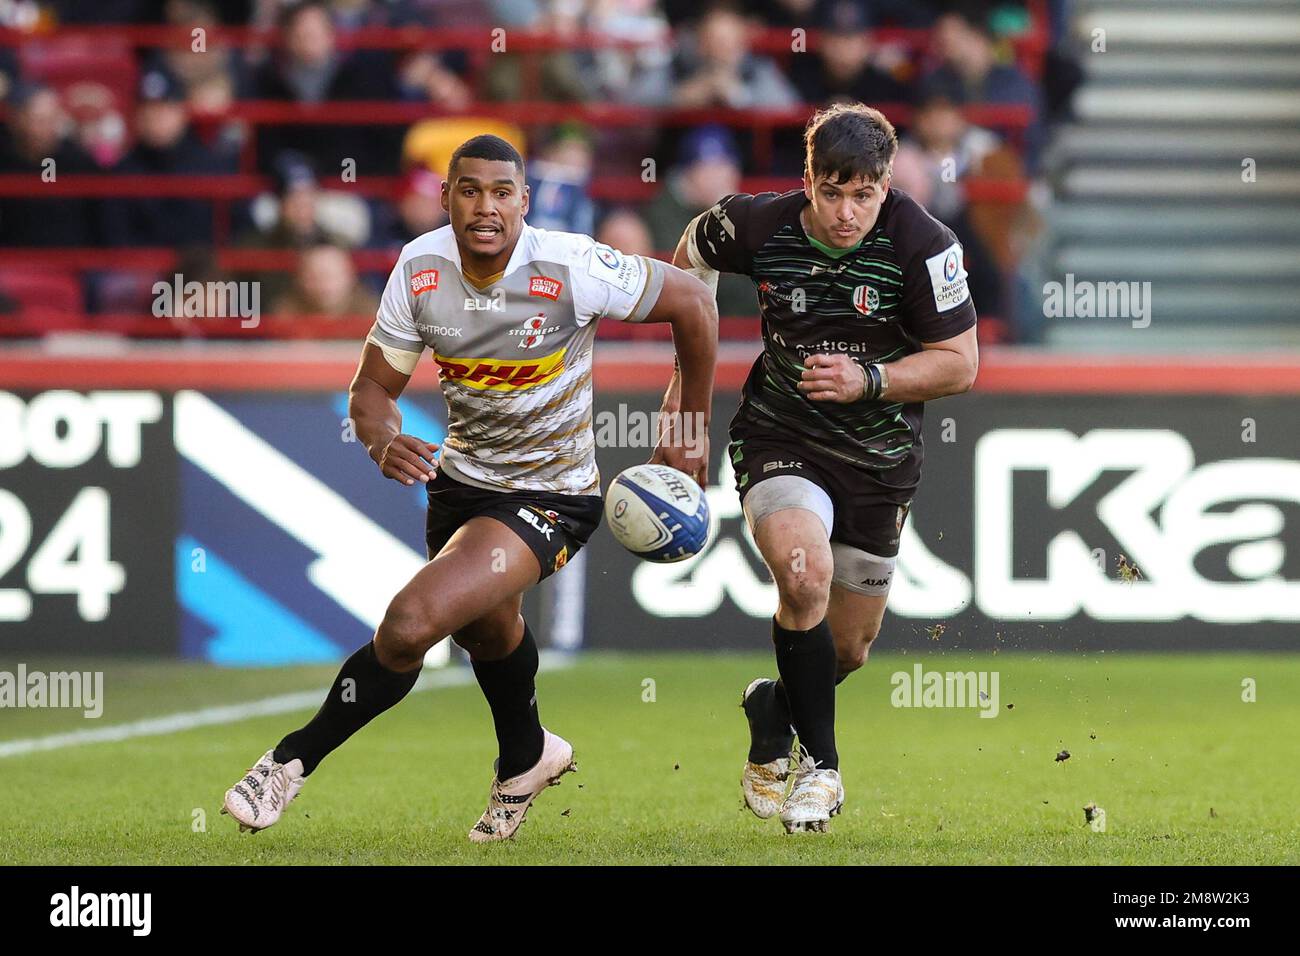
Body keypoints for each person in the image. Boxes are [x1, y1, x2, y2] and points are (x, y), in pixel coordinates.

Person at [223, 134, 718, 842]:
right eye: (470, 190)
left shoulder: (571, 265)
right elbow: (371, 390)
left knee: (410, 624)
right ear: (446, 197)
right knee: (488, 632)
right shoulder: (419, 268)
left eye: (501, 192)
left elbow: (694, 301)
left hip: (552, 496)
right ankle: (527, 757)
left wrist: (688, 421)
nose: (486, 207)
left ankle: (289, 762)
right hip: (460, 485)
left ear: (525, 201)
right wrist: (381, 440)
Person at [668, 103, 978, 833]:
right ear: (807, 181)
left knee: (848, 648)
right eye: (831, 192)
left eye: (863, 195)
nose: (846, 212)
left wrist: (870, 380)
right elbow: (688, 264)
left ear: (886, 185)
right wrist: (685, 407)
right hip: (781, 433)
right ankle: (823, 770)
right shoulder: (756, 223)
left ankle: (772, 708)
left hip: (878, 458)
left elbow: (961, 364)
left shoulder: (925, 245)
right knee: (803, 575)